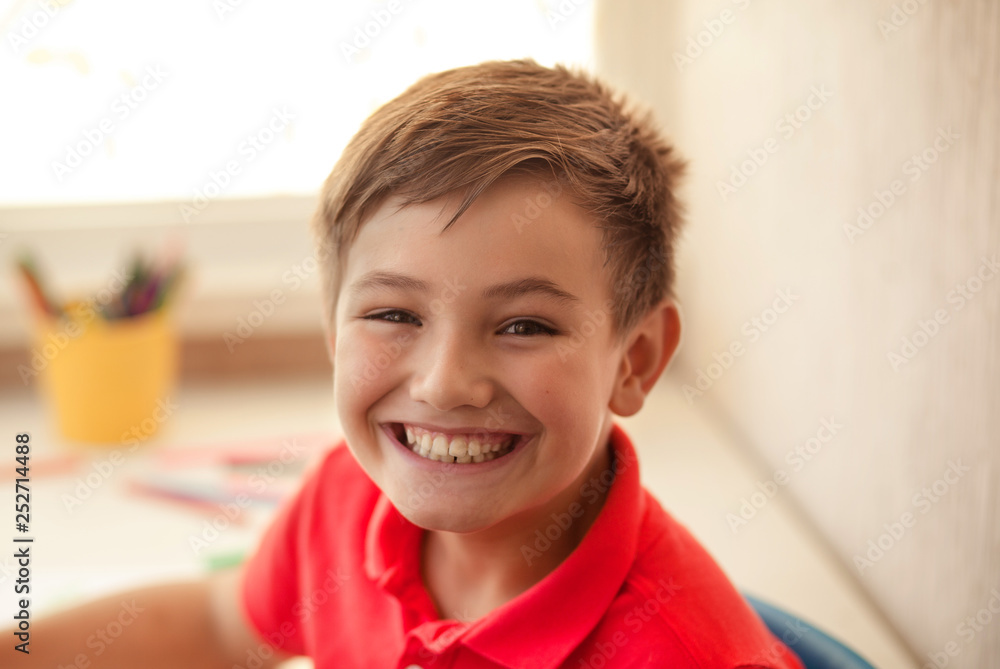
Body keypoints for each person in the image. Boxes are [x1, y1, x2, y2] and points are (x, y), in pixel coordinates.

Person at [6, 59, 802, 668]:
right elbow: (221, 624)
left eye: (524, 324)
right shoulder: (344, 500)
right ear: (333, 329)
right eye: (394, 315)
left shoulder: (690, 651)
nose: (446, 381)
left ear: (635, 361)